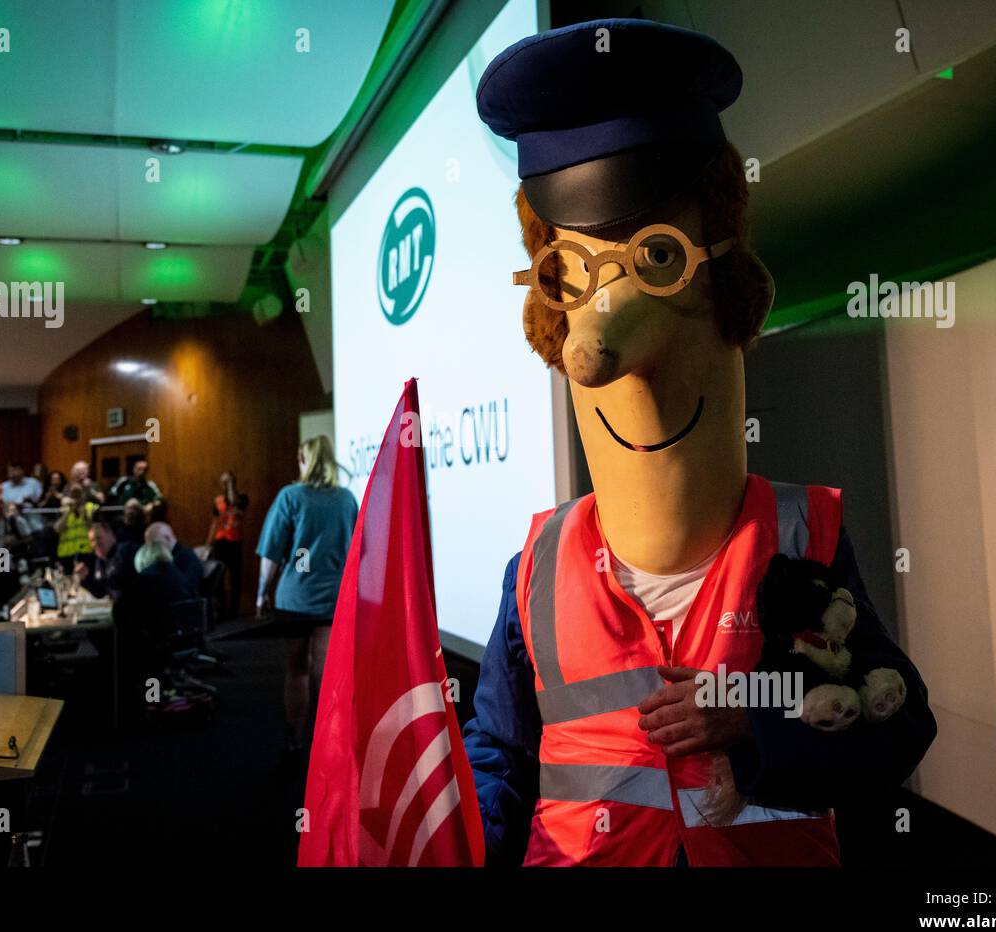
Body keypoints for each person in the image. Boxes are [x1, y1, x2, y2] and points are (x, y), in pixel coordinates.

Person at [462, 19, 936, 867]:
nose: (597, 349)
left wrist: (753, 720)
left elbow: (897, 727)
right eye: (571, 276)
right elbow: (500, 755)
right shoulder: (538, 566)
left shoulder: (803, 538)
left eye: (657, 258)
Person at [255, 435, 358, 753]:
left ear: (304, 459)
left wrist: (261, 594)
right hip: (334, 600)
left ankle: (295, 740)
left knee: (297, 669)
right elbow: (359, 551)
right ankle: (332, 745)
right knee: (328, 675)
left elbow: (271, 553)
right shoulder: (346, 499)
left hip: (295, 600)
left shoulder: (291, 496)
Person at [206, 471, 248, 617]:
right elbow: (215, 521)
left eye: (228, 481)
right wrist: (208, 543)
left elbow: (236, 505)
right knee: (218, 575)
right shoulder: (218, 500)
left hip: (235, 541)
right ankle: (222, 609)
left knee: (236, 576)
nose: (225, 484)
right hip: (221, 540)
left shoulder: (242, 497)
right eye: (223, 482)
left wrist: (231, 487)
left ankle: (234, 610)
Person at [75, 522, 138, 601]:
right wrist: (85, 578)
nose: (95, 543)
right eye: (92, 540)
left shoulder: (127, 551)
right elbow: (100, 592)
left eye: (98, 538)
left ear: (110, 535)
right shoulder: (100, 561)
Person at [143, 522, 203, 597]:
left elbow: (187, 591)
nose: (151, 550)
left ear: (167, 537)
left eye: (154, 544)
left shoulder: (185, 557)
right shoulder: (176, 555)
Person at [54, 486, 98, 573]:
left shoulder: (90, 507)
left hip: (86, 551)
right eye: (73, 495)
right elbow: (57, 529)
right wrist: (68, 511)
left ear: (83, 495)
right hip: (67, 553)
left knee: (86, 581)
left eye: (78, 495)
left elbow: (93, 527)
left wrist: (84, 511)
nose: (76, 498)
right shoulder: (63, 509)